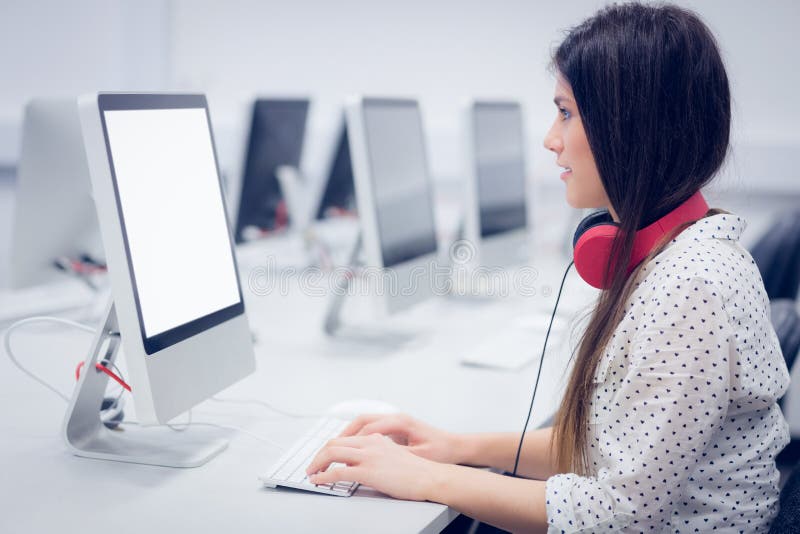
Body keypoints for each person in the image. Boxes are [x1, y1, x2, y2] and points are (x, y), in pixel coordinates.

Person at [306, 3, 791, 532]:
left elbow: (616, 513)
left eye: (566, 112)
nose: (550, 138)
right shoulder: (674, 256)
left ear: (628, 126)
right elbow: (609, 446)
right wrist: (453, 447)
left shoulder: (691, 287)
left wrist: (425, 479)